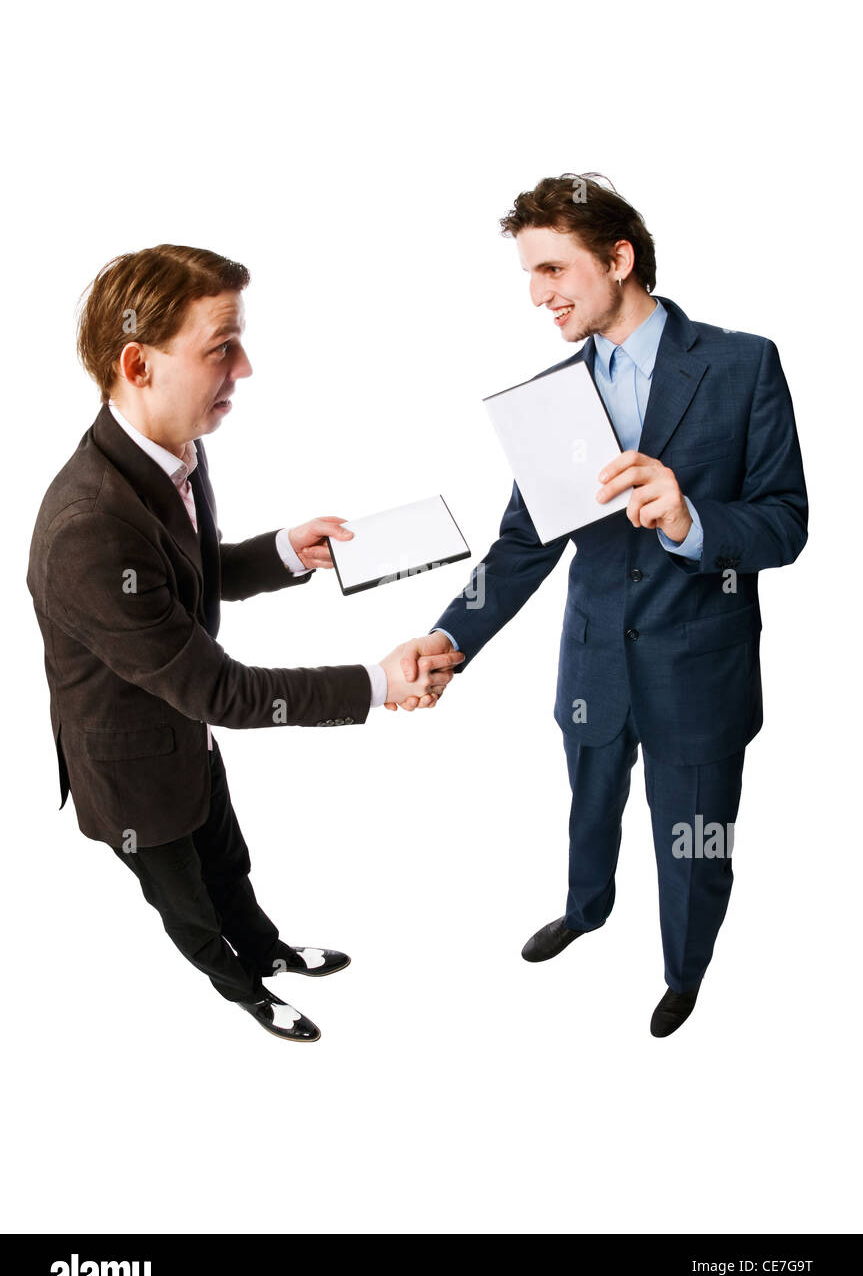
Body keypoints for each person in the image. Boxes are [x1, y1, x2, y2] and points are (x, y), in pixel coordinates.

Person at [396, 174, 808, 1036]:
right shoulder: (550, 392)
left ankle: (685, 971)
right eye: (529, 277)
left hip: (700, 666)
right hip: (592, 661)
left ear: (618, 259)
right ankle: (586, 910)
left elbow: (784, 522)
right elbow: (521, 545)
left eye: (552, 270)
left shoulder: (743, 364)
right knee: (588, 804)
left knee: (693, 839)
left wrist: (692, 520)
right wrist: (448, 634)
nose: (539, 295)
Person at [27, 244, 463, 1043]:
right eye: (221, 346)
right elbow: (220, 692)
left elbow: (187, 572)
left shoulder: (173, 451)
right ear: (139, 362)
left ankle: (266, 951)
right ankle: (245, 991)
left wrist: (288, 551)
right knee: (189, 904)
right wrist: (376, 683)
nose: (246, 367)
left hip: (182, 738)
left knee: (229, 867)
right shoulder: (89, 525)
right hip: (130, 770)